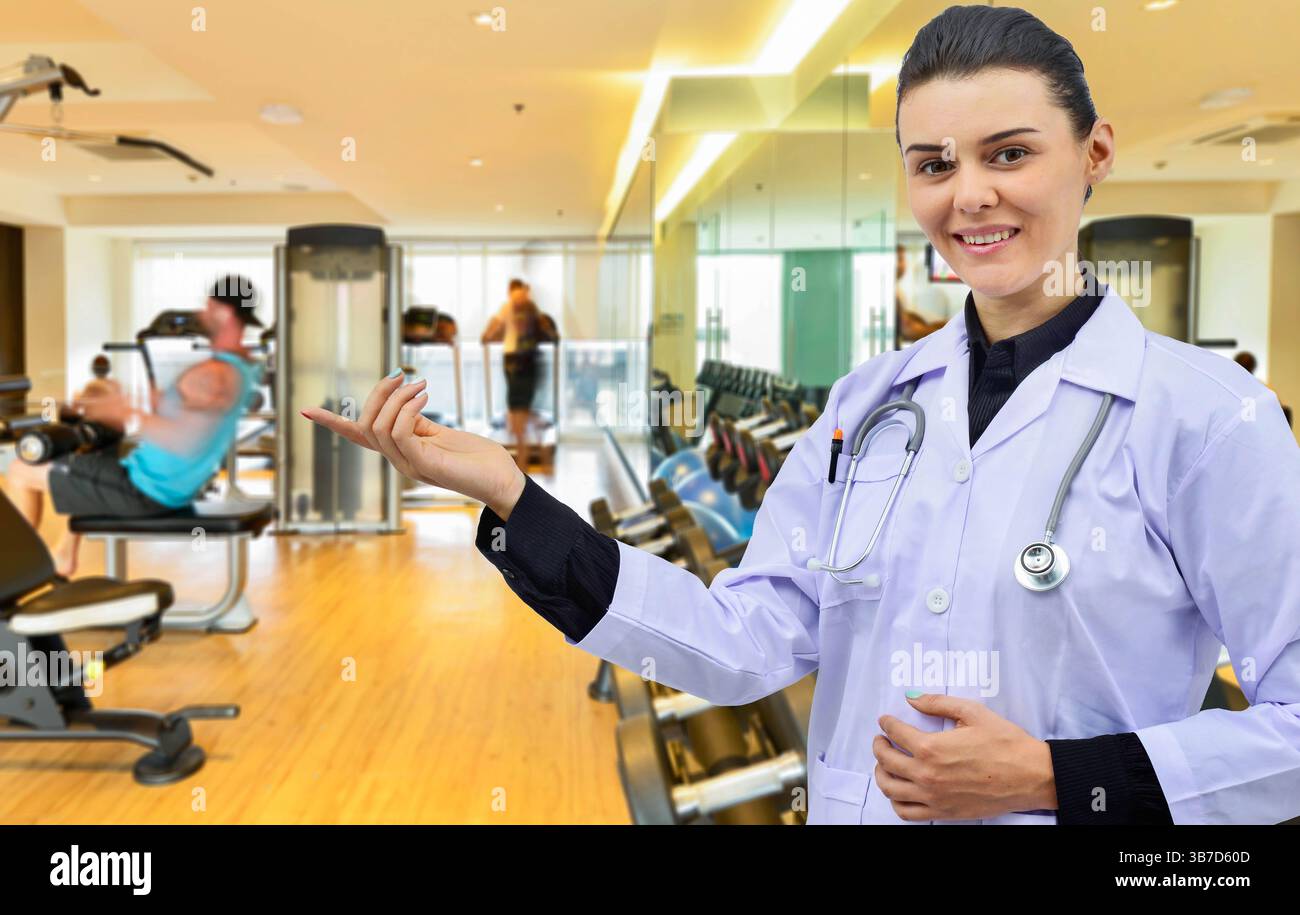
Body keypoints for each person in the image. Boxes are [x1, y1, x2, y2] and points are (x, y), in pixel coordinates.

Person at [305, 5, 1300, 824]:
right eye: (933, 164)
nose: (970, 197)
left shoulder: (1212, 421)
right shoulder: (868, 404)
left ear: (1094, 154)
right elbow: (743, 641)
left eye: (1008, 153)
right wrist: (513, 496)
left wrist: (1058, 777)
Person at [5, 275, 263, 577]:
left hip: (144, 490)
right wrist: (154, 404)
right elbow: (193, 423)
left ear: (224, 312)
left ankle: (18, 570)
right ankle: (63, 554)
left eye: (208, 306)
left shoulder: (214, 374)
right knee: (86, 464)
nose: (202, 313)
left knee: (20, 470)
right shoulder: (243, 367)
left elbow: (183, 439)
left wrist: (124, 409)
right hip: (165, 486)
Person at [480, 279, 559, 469]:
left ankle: (522, 455)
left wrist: (551, 334)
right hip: (513, 361)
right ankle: (521, 451)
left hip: (527, 361)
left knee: (521, 410)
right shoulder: (506, 308)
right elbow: (493, 327)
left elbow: (546, 329)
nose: (518, 298)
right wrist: (487, 335)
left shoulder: (532, 309)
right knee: (516, 410)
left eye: (521, 294)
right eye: (515, 294)